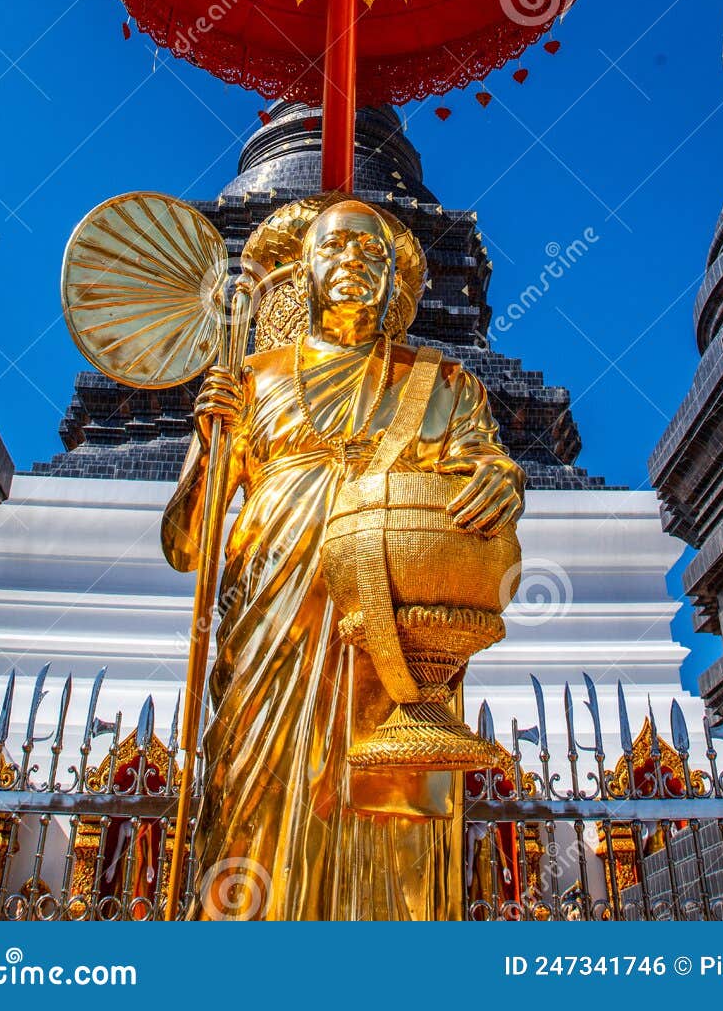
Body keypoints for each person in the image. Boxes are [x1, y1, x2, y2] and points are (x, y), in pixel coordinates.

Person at [161, 198, 524, 919]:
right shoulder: (249, 379)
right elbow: (184, 546)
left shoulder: (444, 386)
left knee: (398, 824)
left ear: (395, 285)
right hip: (273, 616)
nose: (353, 265)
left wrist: (501, 479)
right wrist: (212, 446)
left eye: (373, 257)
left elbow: (485, 471)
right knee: (251, 794)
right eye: (335, 250)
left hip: (396, 633)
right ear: (303, 273)